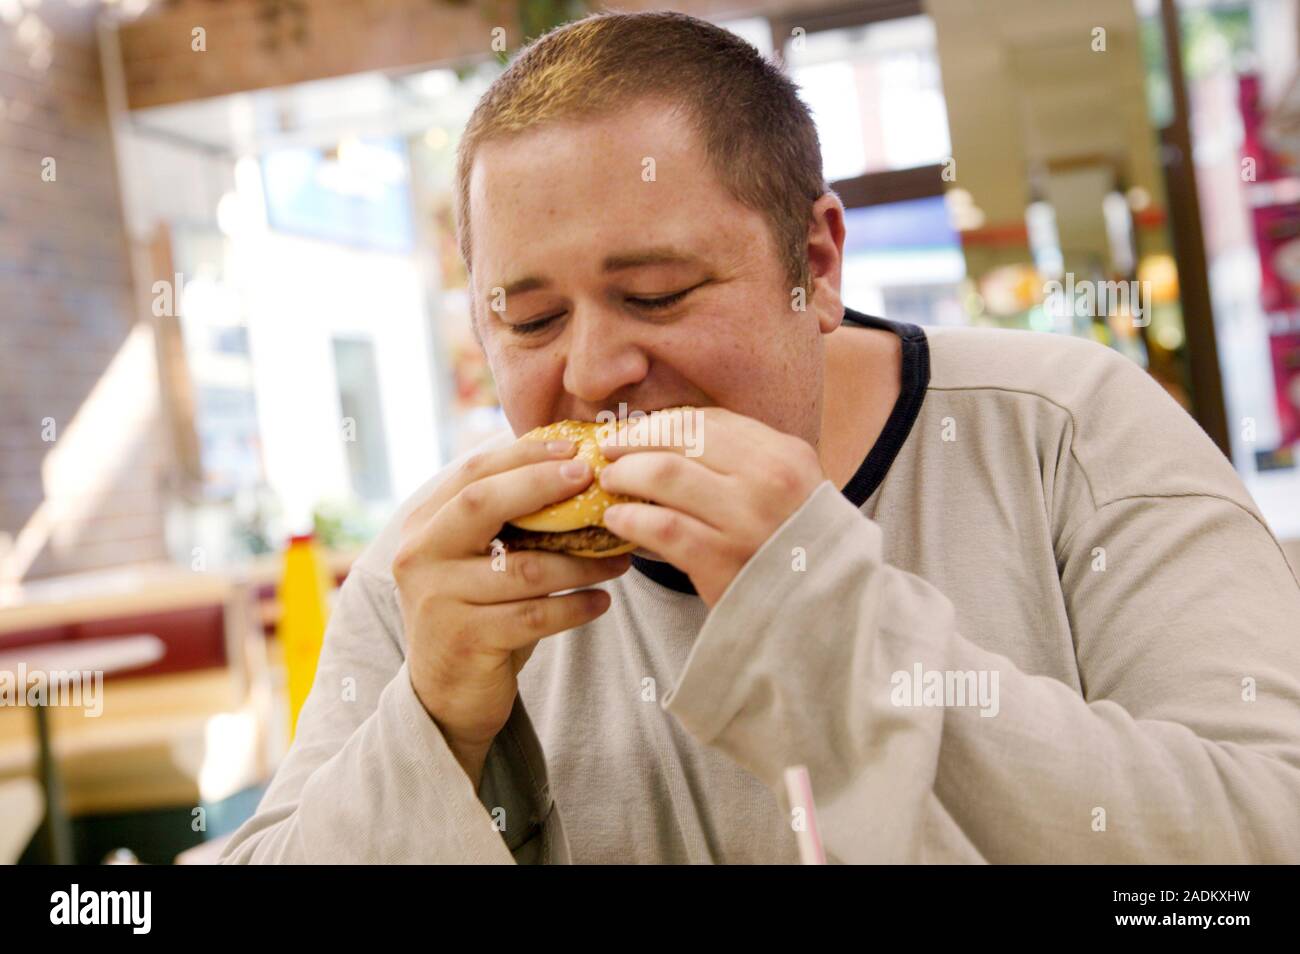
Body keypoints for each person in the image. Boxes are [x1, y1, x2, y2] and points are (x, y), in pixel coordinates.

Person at [220, 10, 1300, 864]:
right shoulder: (441, 571)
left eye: (655, 291)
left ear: (815, 265)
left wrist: (831, 622)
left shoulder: (1067, 435)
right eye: (531, 319)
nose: (592, 371)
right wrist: (434, 730)